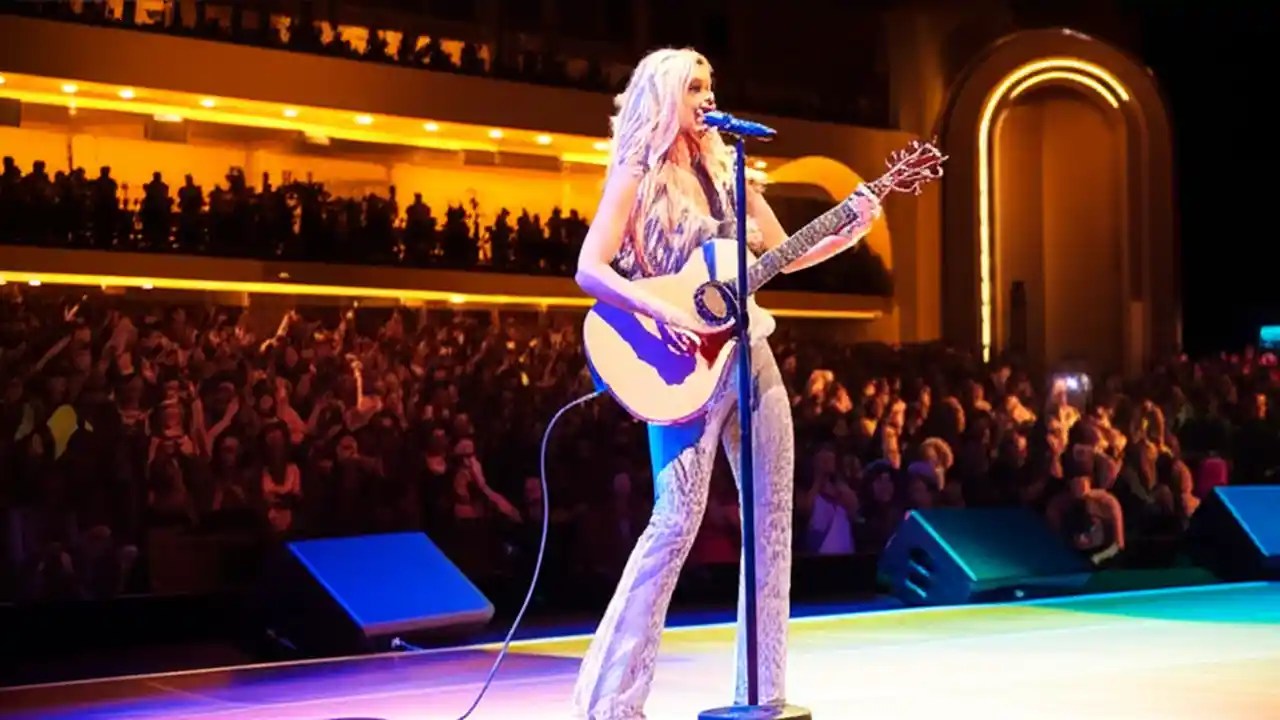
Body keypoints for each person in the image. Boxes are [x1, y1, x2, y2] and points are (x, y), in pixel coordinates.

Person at [570, 47, 882, 719]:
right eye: (694, 87)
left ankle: (762, 691)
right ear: (663, 95)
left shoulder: (728, 168)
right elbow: (590, 269)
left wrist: (852, 225)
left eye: (711, 84)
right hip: (675, 362)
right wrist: (663, 309)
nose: (707, 97)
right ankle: (609, 702)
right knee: (674, 522)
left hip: (749, 354)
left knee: (771, 523)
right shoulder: (636, 171)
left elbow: (785, 255)